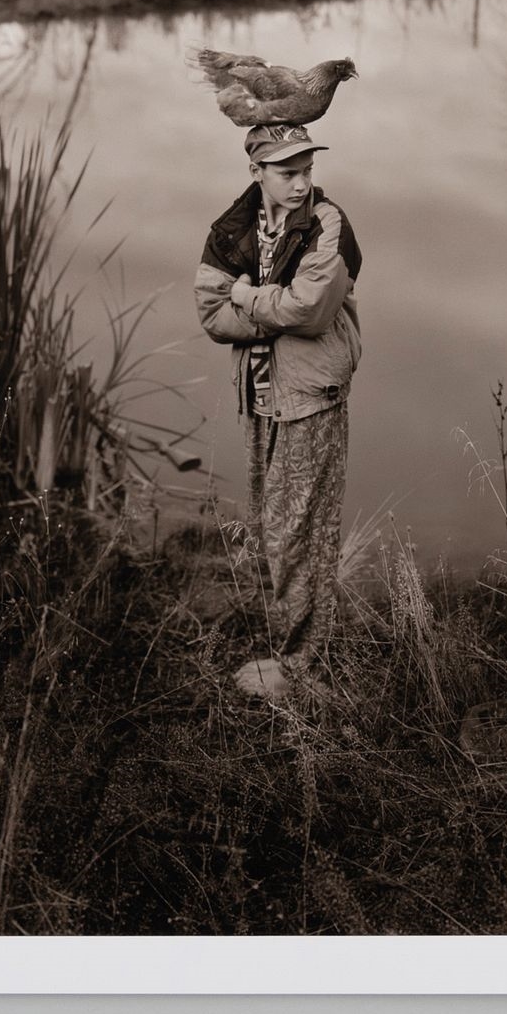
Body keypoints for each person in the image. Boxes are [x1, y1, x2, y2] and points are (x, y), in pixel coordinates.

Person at [194, 120, 363, 697]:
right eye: (288, 172)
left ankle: (303, 669)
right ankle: (299, 657)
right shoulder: (233, 228)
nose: (301, 183)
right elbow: (211, 314)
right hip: (260, 400)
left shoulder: (327, 223)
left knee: (301, 536)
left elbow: (310, 311)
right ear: (256, 171)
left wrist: (247, 295)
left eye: (307, 170)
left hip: (309, 400)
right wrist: (274, 309)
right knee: (272, 532)